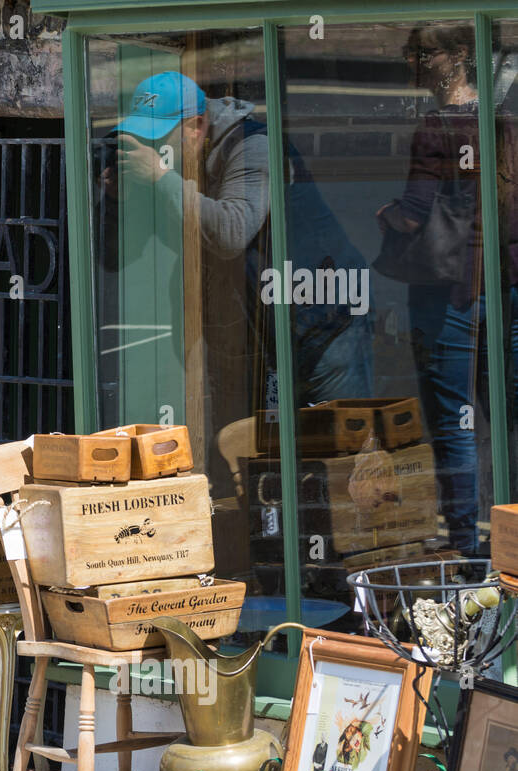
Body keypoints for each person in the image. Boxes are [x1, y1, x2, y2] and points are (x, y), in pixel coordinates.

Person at [100, 71, 371, 493]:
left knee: (343, 464)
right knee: (258, 466)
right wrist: (117, 199)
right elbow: (115, 258)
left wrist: (160, 180)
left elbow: (230, 233)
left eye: (160, 136)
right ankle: (277, 555)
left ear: (196, 125)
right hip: (261, 332)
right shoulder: (169, 167)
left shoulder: (253, 146)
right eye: (145, 138)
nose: (154, 148)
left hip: (326, 322)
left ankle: (347, 557)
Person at [374, 26, 518, 556]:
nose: (412, 60)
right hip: (501, 283)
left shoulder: (437, 125)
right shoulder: (503, 120)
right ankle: (508, 542)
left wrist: (385, 216)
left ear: (460, 56)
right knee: (502, 416)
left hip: (450, 291)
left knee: (454, 419)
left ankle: (465, 546)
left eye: (424, 51)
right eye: (408, 50)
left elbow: (414, 215)